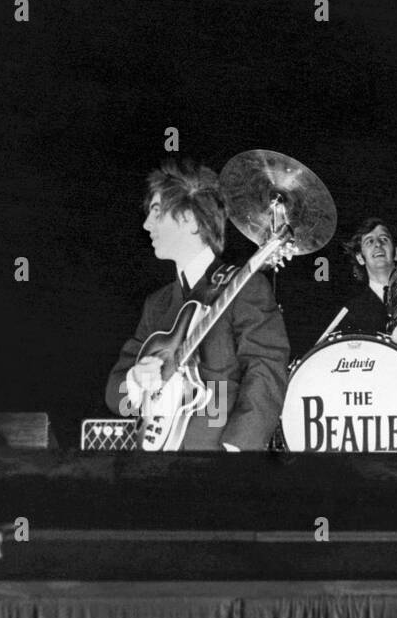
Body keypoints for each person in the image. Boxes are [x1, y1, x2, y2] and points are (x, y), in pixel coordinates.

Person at [105, 159, 289, 450]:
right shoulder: (158, 304)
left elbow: (266, 369)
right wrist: (137, 379)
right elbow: (117, 396)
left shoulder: (244, 285)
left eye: (156, 212)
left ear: (189, 219)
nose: (146, 224)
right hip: (157, 462)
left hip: (218, 458)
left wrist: (238, 447)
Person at [332, 217, 397, 336]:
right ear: (360, 258)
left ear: (396, 253)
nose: (378, 244)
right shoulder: (351, 312)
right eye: (369, 241)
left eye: (384, 239)